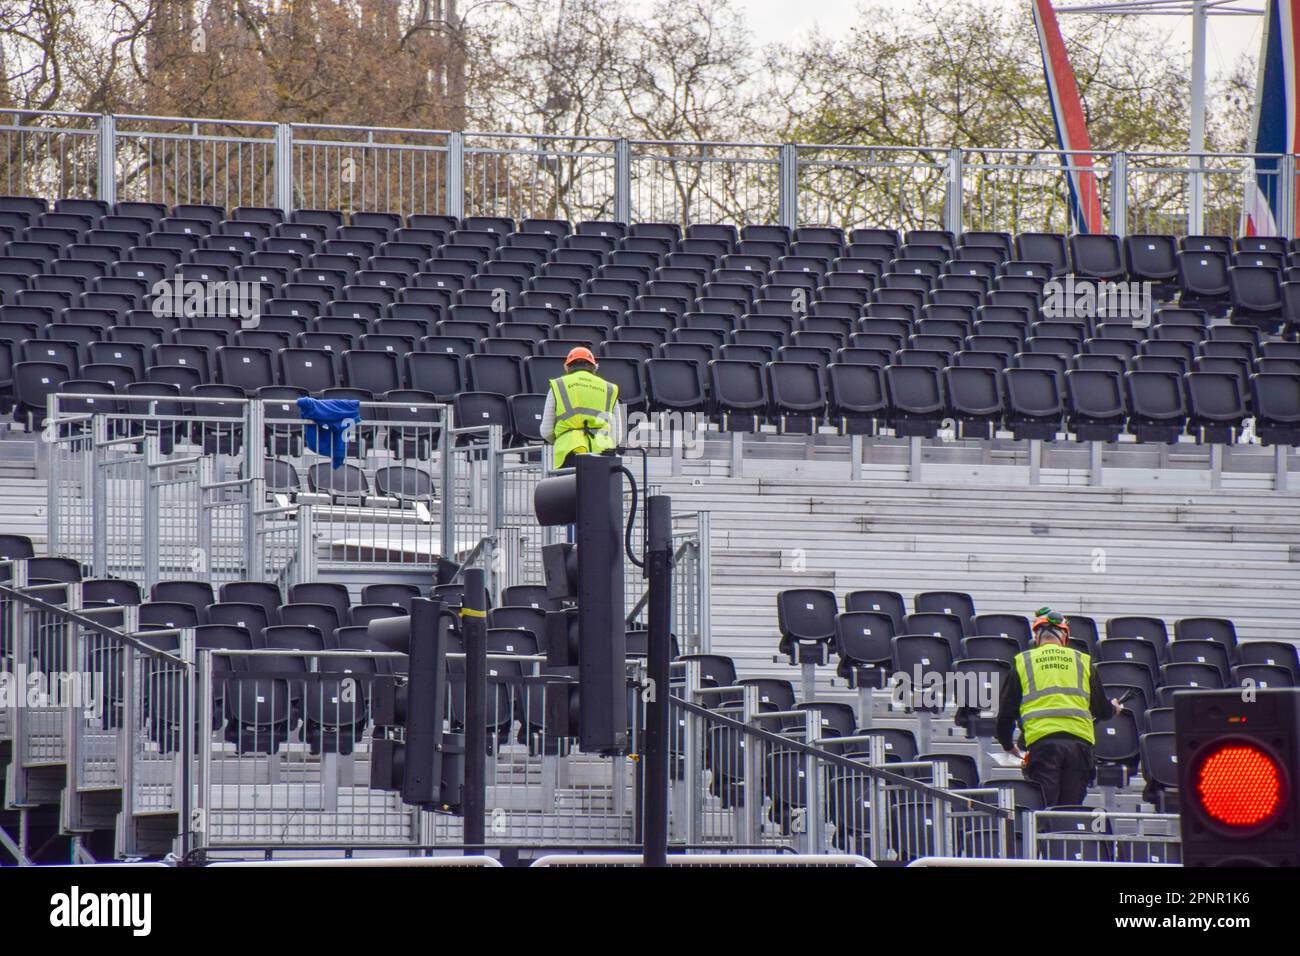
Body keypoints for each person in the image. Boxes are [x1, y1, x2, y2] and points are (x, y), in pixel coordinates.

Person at [994, 607, 1124, 807]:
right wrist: (1113, 708)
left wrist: (1007, 744)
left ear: (1037, 635)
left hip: (1043, 744)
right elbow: (1100, 709)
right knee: (1070, 811)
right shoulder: (1083, 661)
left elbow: (1006, 712)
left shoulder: (1023, 662)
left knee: (1045, 809)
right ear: (1065, 636)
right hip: (1079, 746)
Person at [541, 346, 621, 470]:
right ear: (595, 367)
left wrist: (562, 438)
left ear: (567, 367)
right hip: (603, 453)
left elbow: (546, 431)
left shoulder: (559, 385)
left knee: (570, 489)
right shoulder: (609, 388)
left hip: (569, 452)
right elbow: (617, 437)